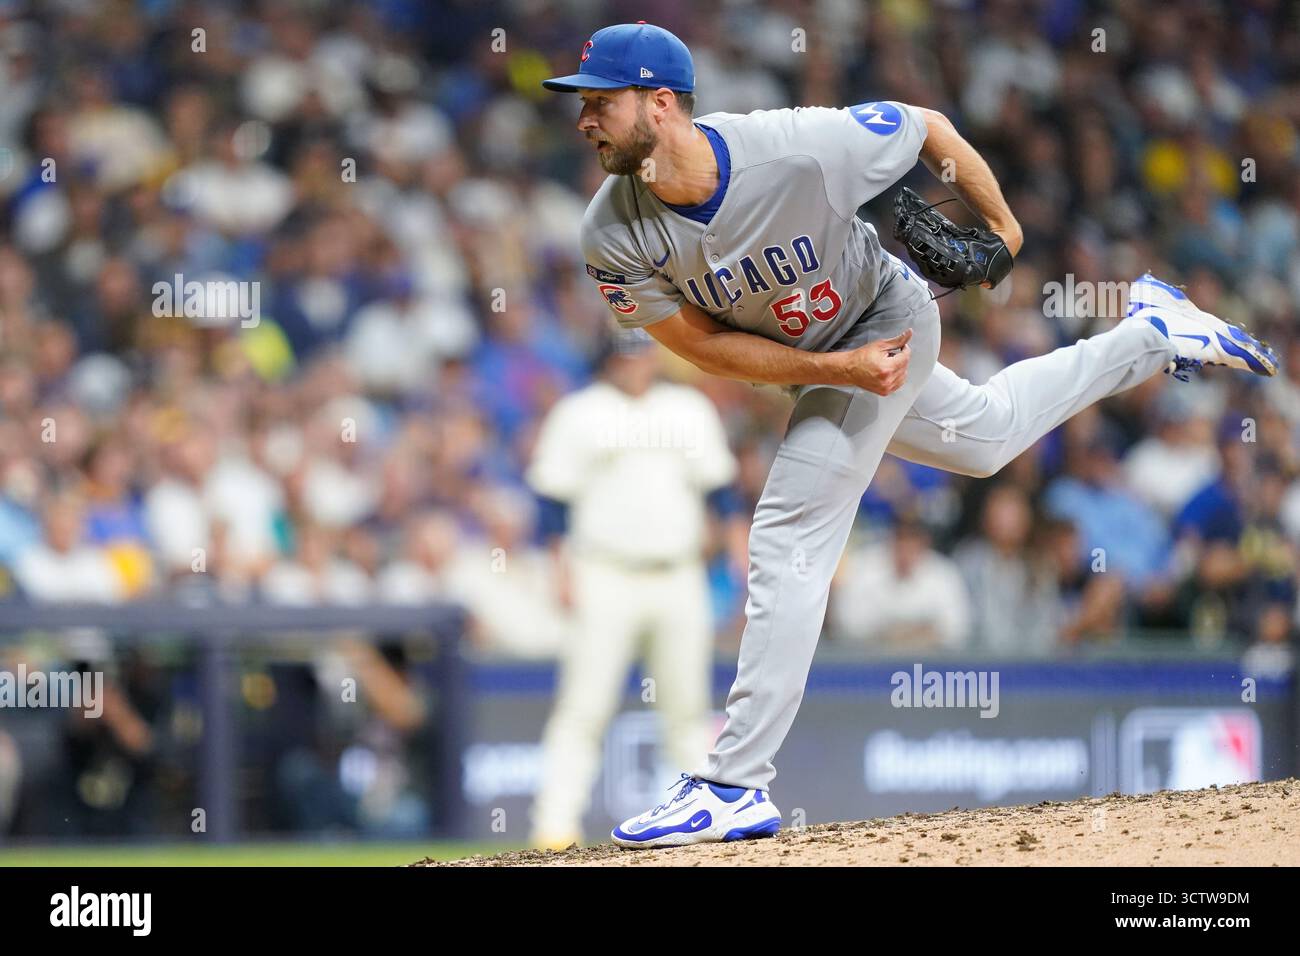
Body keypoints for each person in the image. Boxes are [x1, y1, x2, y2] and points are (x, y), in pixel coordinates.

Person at [541, 22, 1280, 849]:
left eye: (600, 101)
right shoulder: (610, 231)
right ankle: (1150, 332)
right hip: (838, 360)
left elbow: (925, 125)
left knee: (789, 530)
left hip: (886, 318)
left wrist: (1005, 233)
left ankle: (734, 782)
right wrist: (837, 371)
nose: (585, 118)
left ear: (662, 103)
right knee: (987, 436)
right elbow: (700, 347)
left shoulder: (794, 147)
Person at [525, 327, 746, 849]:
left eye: (642, 353)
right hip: (604, 574)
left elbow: (721, 492)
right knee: (583, 707)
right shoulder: (580, 412)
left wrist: (738, 550)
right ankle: (553, 829)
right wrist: (560, 571)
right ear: (607, 361)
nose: (635, 364)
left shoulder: (687, 408)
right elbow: (551, 505)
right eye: (625, 356)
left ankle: (703, 820)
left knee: (687, 710)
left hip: (677, 574)